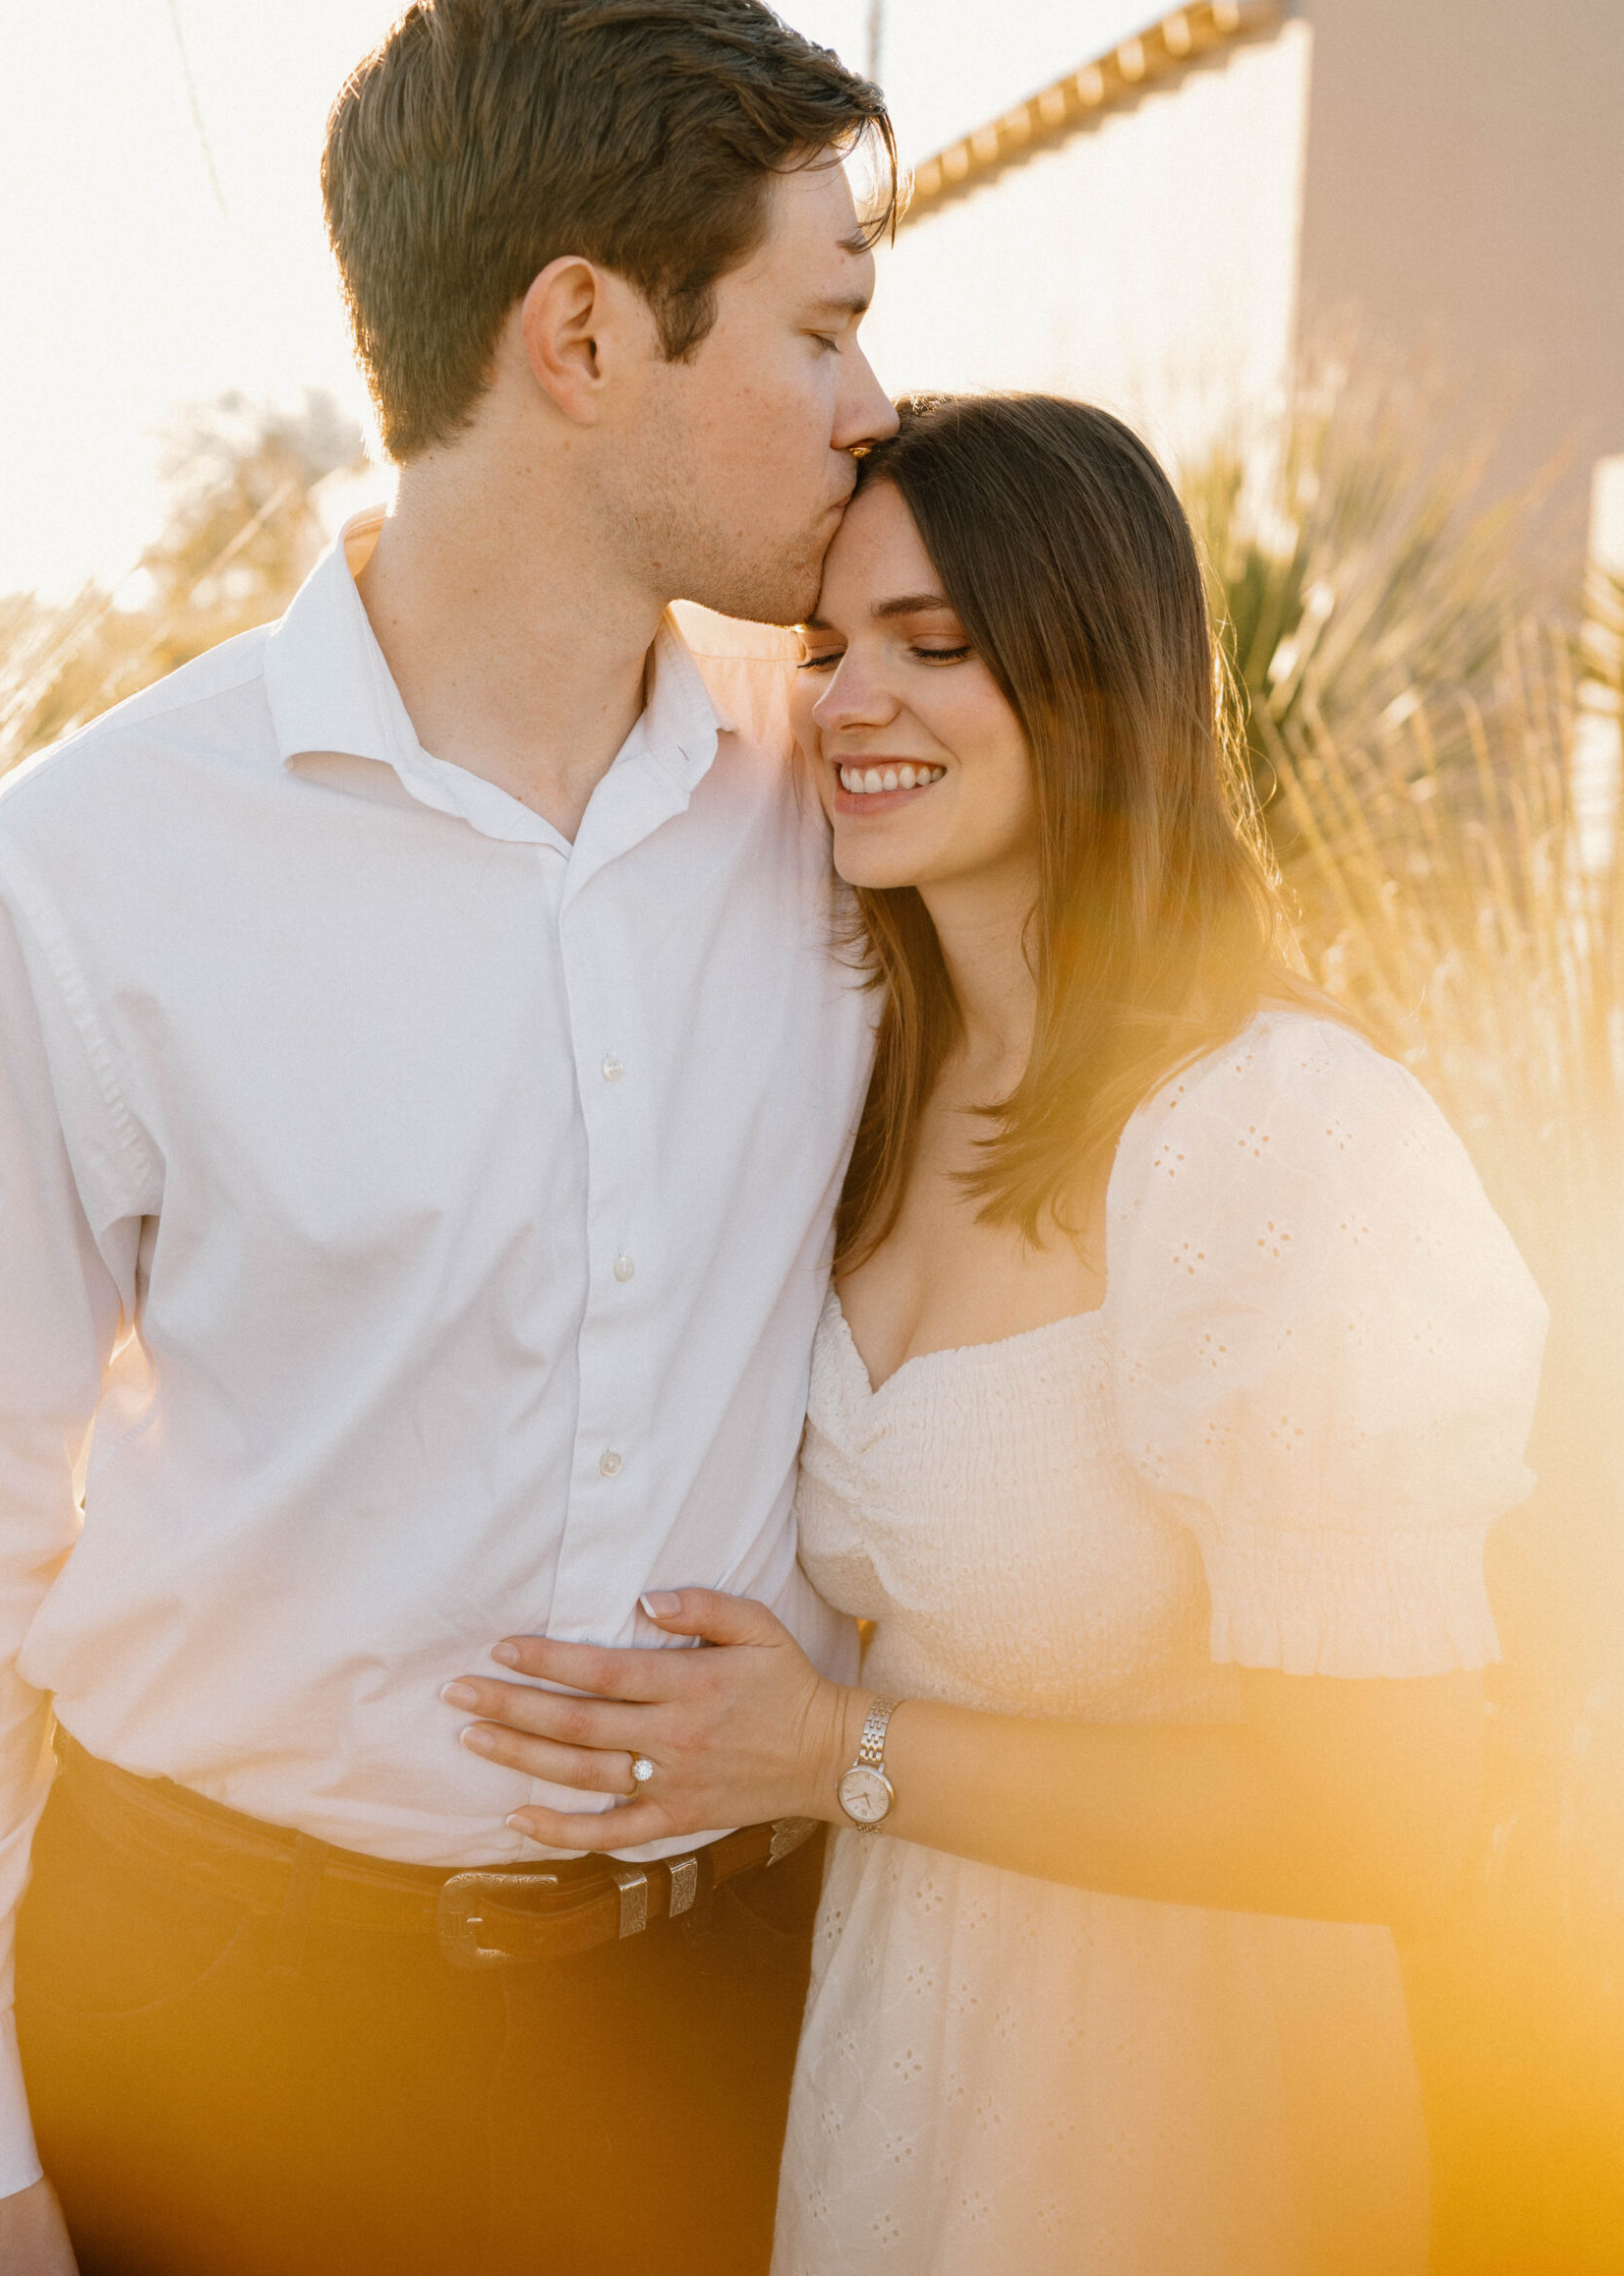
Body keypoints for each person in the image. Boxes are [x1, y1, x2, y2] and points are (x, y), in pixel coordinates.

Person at [0, 0, 899, 2276]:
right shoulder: (90, 865)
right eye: (818, 324)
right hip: (209, 2026)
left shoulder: (853, 802)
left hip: (724, 2021)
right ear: (580, 338)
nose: (876, 399)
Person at [450, 393, 1549, 2275]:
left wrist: (831, 1755)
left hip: (1182, 2114)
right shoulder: (869, 1081)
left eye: (935, 647)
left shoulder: (1274, 1138)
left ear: (1097, 678)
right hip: (894, 2065)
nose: (849, 701)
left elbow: (1391, 1825)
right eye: (827, 649)